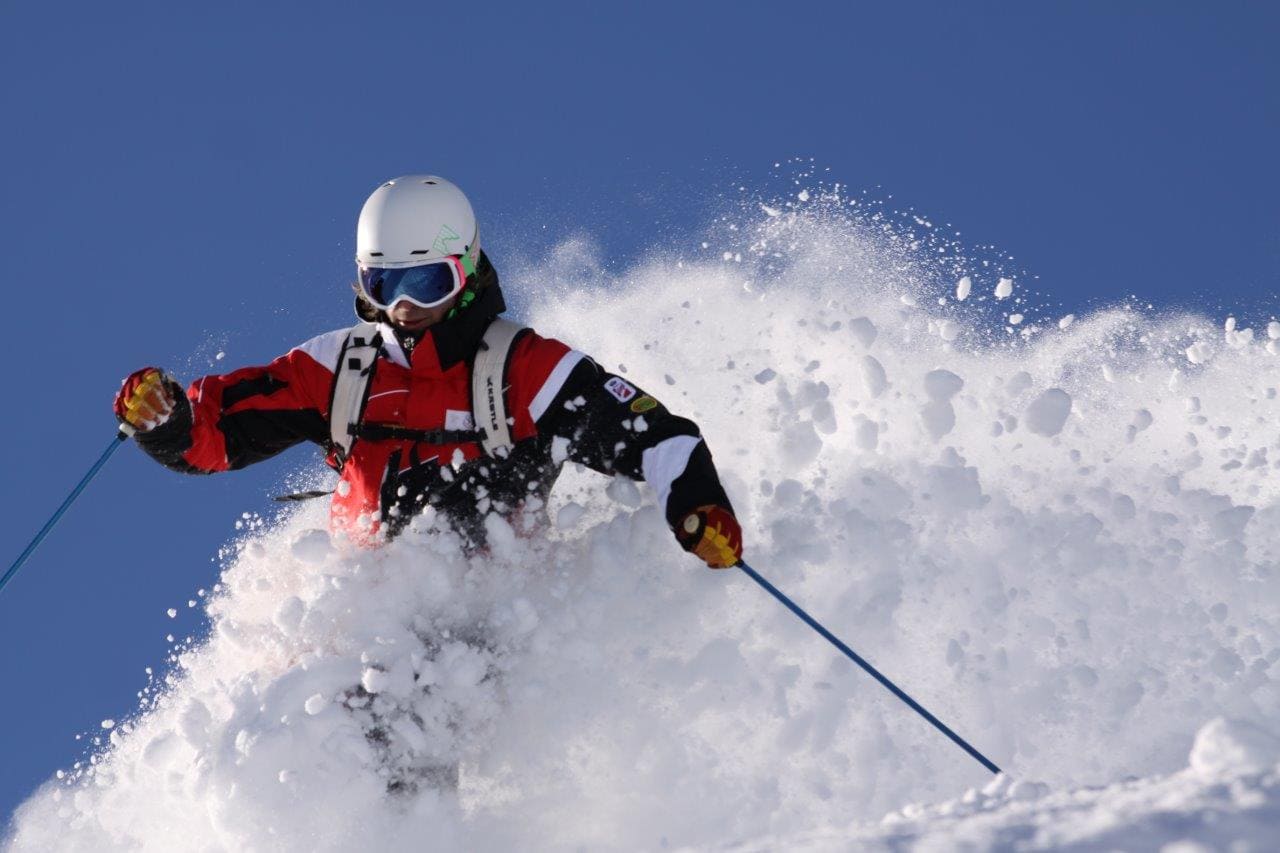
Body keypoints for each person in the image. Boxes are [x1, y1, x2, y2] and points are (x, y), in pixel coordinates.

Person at [114, 175, 742, 568]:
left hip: (488, 610)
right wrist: (166, 419)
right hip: (363, 608)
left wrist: (699, 506)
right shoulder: (339, 368)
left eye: (426, 282)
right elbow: (217, 433)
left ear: (464, 273)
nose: (405, 307)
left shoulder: (524, 369)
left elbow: (656, 436)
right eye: (384, 284)